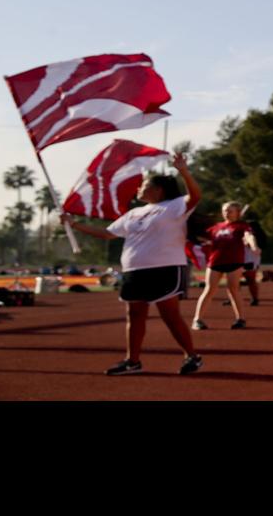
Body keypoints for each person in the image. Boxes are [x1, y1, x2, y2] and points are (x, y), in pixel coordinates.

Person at [59, 152, 205, 376]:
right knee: (135, 316)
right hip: (135, 271)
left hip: (165, 269)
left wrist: (183, 170)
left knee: (170, 316)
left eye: (144, 185)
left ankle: (192, 356)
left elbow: (195, 195)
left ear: (158, 190)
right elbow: (107, 234)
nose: (139, 188)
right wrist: (74, 224)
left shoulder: (175, 206)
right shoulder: (134, 213)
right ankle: (132, 361)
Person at [192, 202, 258, 330]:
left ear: (237, 213)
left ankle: (240, 319)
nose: (226, 213)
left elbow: (248, 236)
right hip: (215, 261)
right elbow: (203, 237)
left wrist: (254, 246)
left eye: (230, 211)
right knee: (209, 289)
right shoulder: (216, 227)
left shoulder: (242, 226)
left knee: (233, 289)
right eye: (224, 210)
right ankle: (197, 319)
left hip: (234, 261)